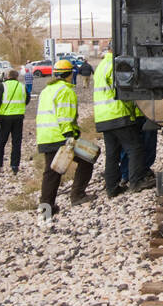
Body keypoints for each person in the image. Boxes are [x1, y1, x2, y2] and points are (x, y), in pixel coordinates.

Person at [36, 58, 98, 217]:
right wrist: (70, 137)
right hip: (60, 137)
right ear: (71, 74)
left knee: (52, 172)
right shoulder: (66, 91)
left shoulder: (47, 90)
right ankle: (77, 195)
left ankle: (46, 208)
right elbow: (64, 118)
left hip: (45, 137)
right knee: (86, 160)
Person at [93, 49, 155, 197]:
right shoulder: (116, 65)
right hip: (118, 114)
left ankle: (112, 188)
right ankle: (136, 182)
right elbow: (125, 92)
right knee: (135, 148)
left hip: (103, 117)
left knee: (112, 154)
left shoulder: (101, 66)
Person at [0, 68, 29, 173]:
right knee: (16, 142)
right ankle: (15, 166)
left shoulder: (2, 86)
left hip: (4, 117)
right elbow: (27, 99)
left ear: (7, 76)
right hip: (18, 117)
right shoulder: (22, 87)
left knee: (0, 142)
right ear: (17, 77)